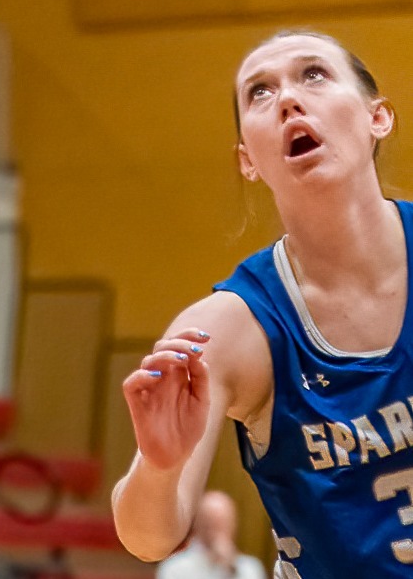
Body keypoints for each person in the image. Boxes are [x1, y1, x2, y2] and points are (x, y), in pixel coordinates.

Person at [113, 30, 411, 578]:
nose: (290, 100)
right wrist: (160, 466)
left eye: (314, 75)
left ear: (379, 118)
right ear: (248, 160)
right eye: (260, 92)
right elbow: (148, 539)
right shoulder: (228, 329)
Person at [155, 491, 263, 579]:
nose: (216, 532)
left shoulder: (250, 567)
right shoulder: (175, 567)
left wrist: (230, 568)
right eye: (211, 524)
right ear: (197, 525)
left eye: (223, 524)